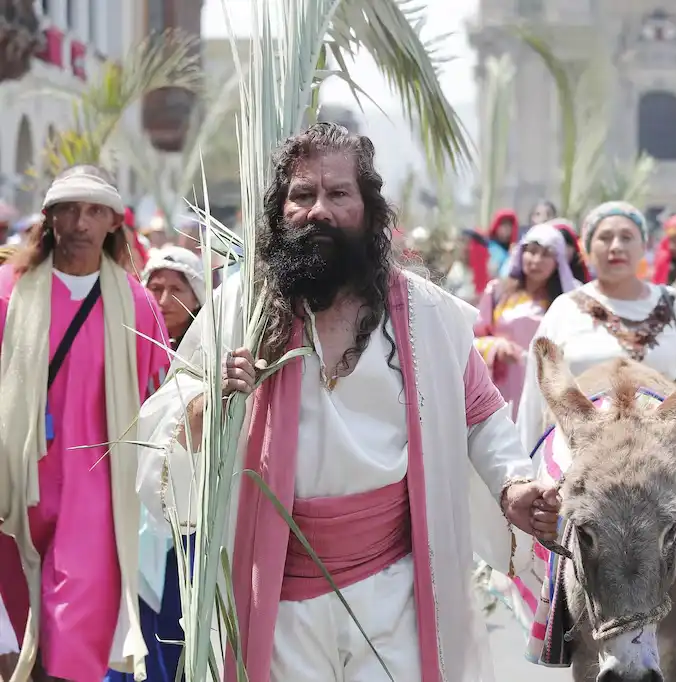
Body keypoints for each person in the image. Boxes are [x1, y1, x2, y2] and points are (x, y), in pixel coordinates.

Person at [135, 123, 560, 682]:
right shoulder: (241, 307)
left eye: (338, 194)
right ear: (278, 210)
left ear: (369, 207)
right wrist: (209, 403)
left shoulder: (430, 313)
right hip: (277, 592)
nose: (319, 211)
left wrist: (513, 484)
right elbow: (171, 419)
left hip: (396, 587)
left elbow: (479, 417)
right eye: (303, 195)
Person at [0, 166, 171, 681]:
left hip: (96, 490)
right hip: (18, 482)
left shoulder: (137, 305)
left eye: (94, 210)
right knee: (19, 615)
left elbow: (160, 393)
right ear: (49, 218)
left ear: (113, 223)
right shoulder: (10, 294)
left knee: (74, 631)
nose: (80, 222)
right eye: (69, 209)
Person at [517, 201, 676, 453]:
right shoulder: (565, 309)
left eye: (626, 237)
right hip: (577, 457)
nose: (616, 246)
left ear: (643, 247)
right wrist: (525, 469)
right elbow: (535, 395)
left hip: (662, 459)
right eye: (604, 237)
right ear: (587, 249)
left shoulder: (673, 305)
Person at [103, 246, 208, 682]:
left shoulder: (204, 358)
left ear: (198, 298)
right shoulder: (120, 344)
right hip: (124, 504)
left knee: (172, 619)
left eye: (176, 289)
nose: (163, 300)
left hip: (180, 514)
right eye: (155, 287)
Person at [475, 223, 581, 420]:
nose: (537, 260)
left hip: (545, 390)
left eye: (546, 254)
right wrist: (495, 346)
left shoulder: (567, 301)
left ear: (558, 260)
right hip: (500, 387)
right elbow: (471, 339)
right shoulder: (498, 292)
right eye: (531, 251)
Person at [486, 208, 519, 277]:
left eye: (510, 224)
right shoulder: (488, 247)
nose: (506, 228)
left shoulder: (517, 249)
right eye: (503, 224)